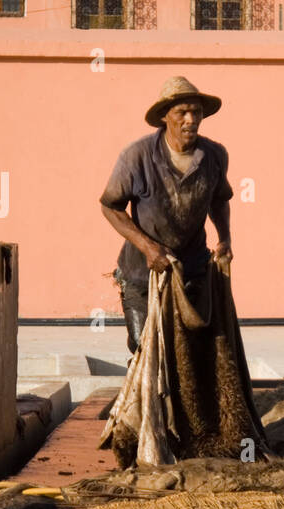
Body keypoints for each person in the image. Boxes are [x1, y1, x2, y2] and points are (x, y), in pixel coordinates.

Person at [99, 75, 235, 353]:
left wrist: (225, 238)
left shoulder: (214, 155)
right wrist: (148, 247)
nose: (190, 119)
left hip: (192, 270)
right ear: (165, 117)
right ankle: (147, 395)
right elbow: (110, 206)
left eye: (196, 112)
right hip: (141, 272)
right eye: (181, 112)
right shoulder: (136, 156)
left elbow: (220, 200)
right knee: (144, 345)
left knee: (192, 348)